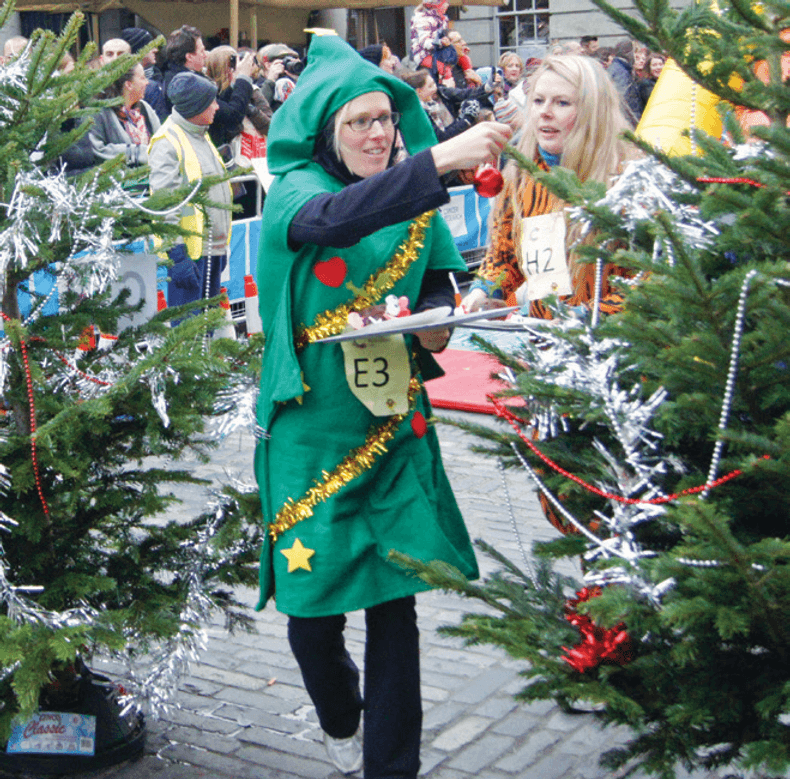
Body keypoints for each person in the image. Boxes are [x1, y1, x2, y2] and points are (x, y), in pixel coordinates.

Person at [255, 32, 511, 779]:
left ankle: (391, 767)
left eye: (385, 120)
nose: (377, 134)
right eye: (358, 123)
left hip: (395, 425)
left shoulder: (411, 198)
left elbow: (439, 289)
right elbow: (331, 222)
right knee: (312, 609)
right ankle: (337, 701)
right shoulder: (294, 191)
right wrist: (443, 160)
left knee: (395, 607)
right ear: (327, 134)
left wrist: (434, 319)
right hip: (313, 433)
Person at [462, 54, 634, 320]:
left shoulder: (627, 180)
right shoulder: (520, 175)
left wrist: (586, 317)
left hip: (610, 346)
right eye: (539, 101)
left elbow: (648, 281)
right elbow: (503, 258)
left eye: (562, 102)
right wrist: (482, 292)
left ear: (593, 110)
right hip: (541, 343)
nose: (545, 112)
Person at [148, 72, 231, 309]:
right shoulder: (167, 142)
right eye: (210, 101)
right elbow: (164, 205)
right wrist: (177, 255)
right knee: (192, 336)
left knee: (207, 331)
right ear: (196, 107)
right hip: (190, 257)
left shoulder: (199, 133)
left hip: (210, 252)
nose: (216, 106)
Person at [89, 63, 160, 167]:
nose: (147, 82)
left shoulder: (145, 108)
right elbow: (97, 150)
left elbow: (161, 140)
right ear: (129, 85)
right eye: (143, 78)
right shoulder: (100, 112)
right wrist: (138, 152)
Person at [204, 46, 262, 148]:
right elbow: (233, 115)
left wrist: (235, 82)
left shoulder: (241, 88)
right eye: (233, 62)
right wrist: (243, 78)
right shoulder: (205, 90)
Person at [122, 26, 166, 120]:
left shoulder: (158, 76)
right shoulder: (124, 85)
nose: (156, 50)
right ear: (138, 50)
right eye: (150, 46)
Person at [163, 25, 208, 114]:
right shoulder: (186, 85)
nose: (205, 55)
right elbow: (231, 114)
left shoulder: (172, 77)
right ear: (189, 57)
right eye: (202, 51)